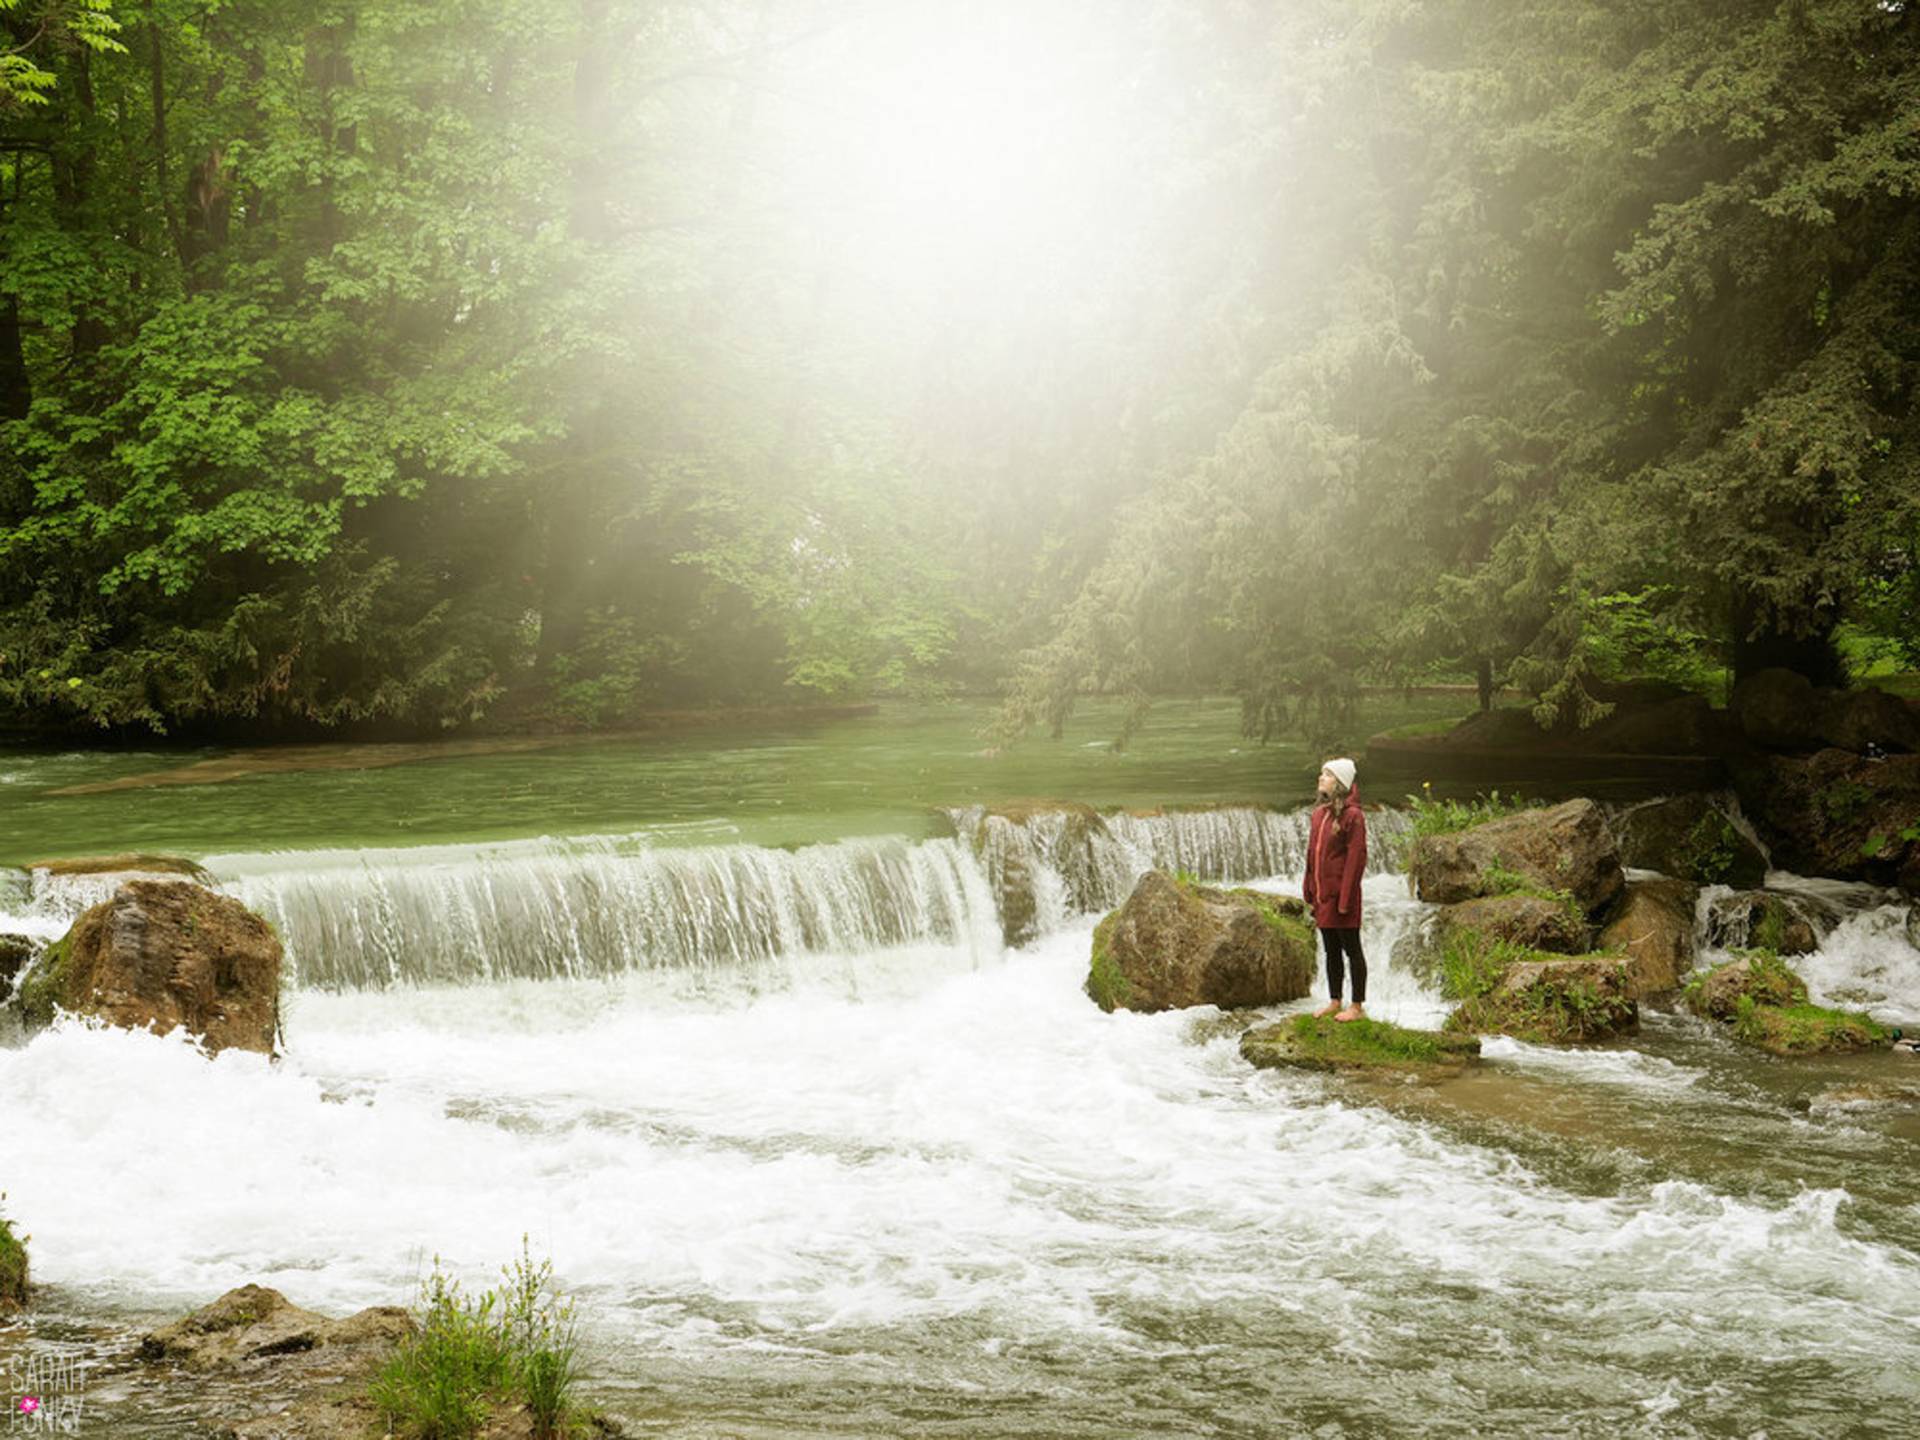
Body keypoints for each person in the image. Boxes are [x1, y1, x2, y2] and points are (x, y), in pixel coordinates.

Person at [1302, 756, 1368, 1022]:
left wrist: (1346, 897)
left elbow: (1356, 858)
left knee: (1352, 949)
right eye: (1322, 774)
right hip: (1322, 894)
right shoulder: (1319, 814)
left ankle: (1357, 1006)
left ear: (1340, 782)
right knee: (1330, 950)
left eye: (1327, 775)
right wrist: (1308, 888)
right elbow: (1311, 855)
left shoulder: (1353, 816)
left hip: (1343, 896)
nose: (1321, 778)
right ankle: (1334, 1000)